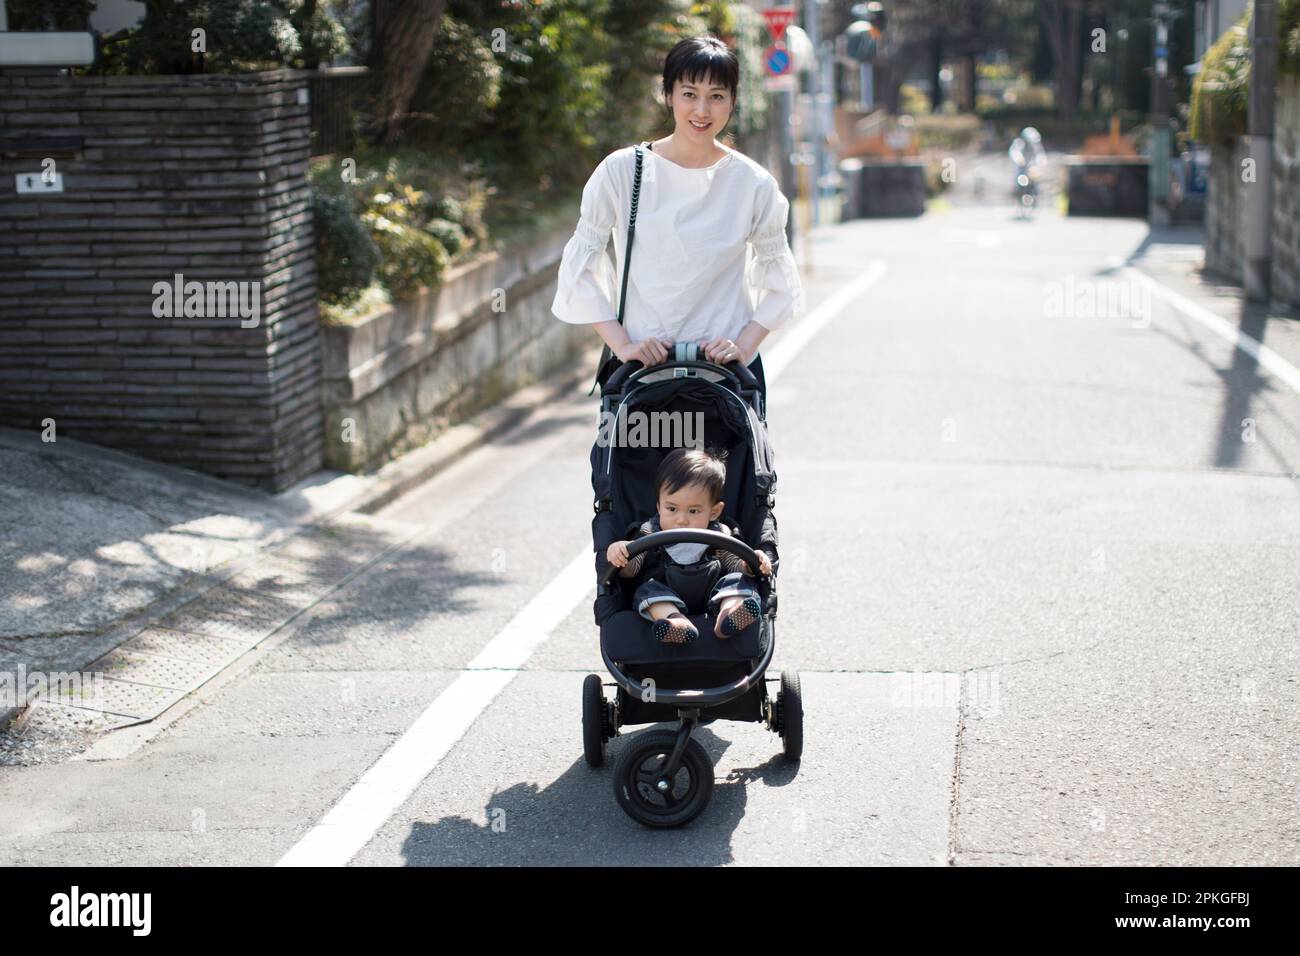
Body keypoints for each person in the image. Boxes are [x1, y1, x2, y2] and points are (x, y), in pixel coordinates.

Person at [549, 35, 805, 388]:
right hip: (642, 375)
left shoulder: (753, 184)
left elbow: (781, 285)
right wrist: (622, 345)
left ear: (732, 102)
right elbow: (581, 266)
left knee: (737, 446)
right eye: (689, 94)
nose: (702, 111)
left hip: (724, 377)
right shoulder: (622, 171)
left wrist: (743, 348)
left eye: (716, 96)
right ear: (668, 95)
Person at [606, 447, 774, 645]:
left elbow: (734, 563)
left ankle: (728, 617)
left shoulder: (719, 534)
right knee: (647, 590)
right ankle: (675, 622)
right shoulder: (649, 531)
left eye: (693, 511)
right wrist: (620, 552)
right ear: (659, 506)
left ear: (714, 511)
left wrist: (751, 563)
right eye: (672, 509)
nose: (681, 520)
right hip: (666, 593)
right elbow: (631, 570)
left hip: (713, 596)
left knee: (738, 581)